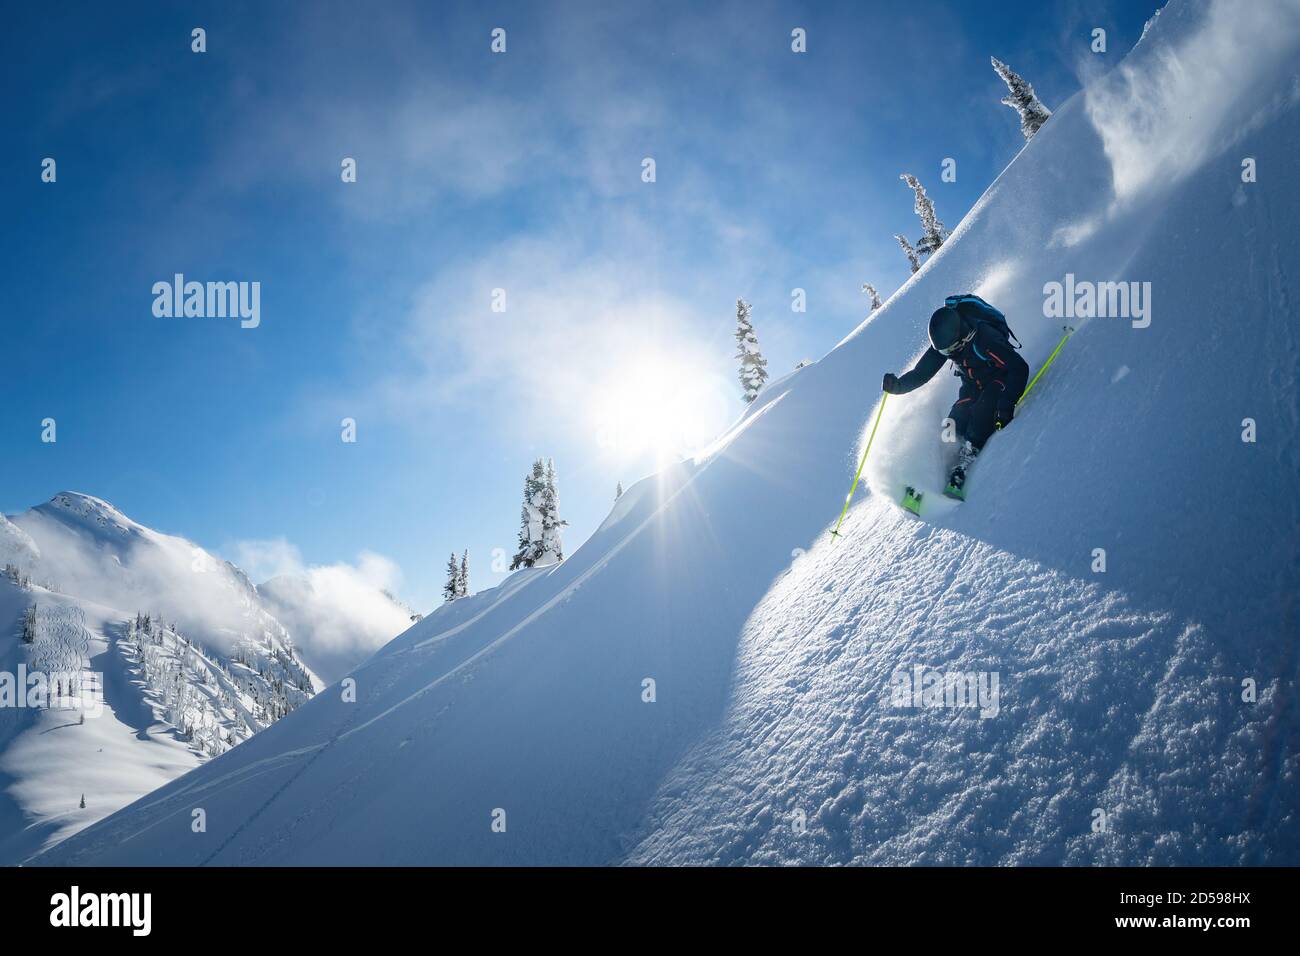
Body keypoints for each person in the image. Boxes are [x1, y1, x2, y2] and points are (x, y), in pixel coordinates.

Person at [882, 295, 1029, 495]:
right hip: (971, 386)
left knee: (982, 412)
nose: (947, 355)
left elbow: (1019, 368)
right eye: (942, 352)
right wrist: (897, 386)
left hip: (999, 380)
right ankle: (936, 469)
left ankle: (967, 458)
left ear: (963, 338)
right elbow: (921, 374)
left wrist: (1006, 405)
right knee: (952, 423)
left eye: (950, 350)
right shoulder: (945, 345)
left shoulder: (986, 339)